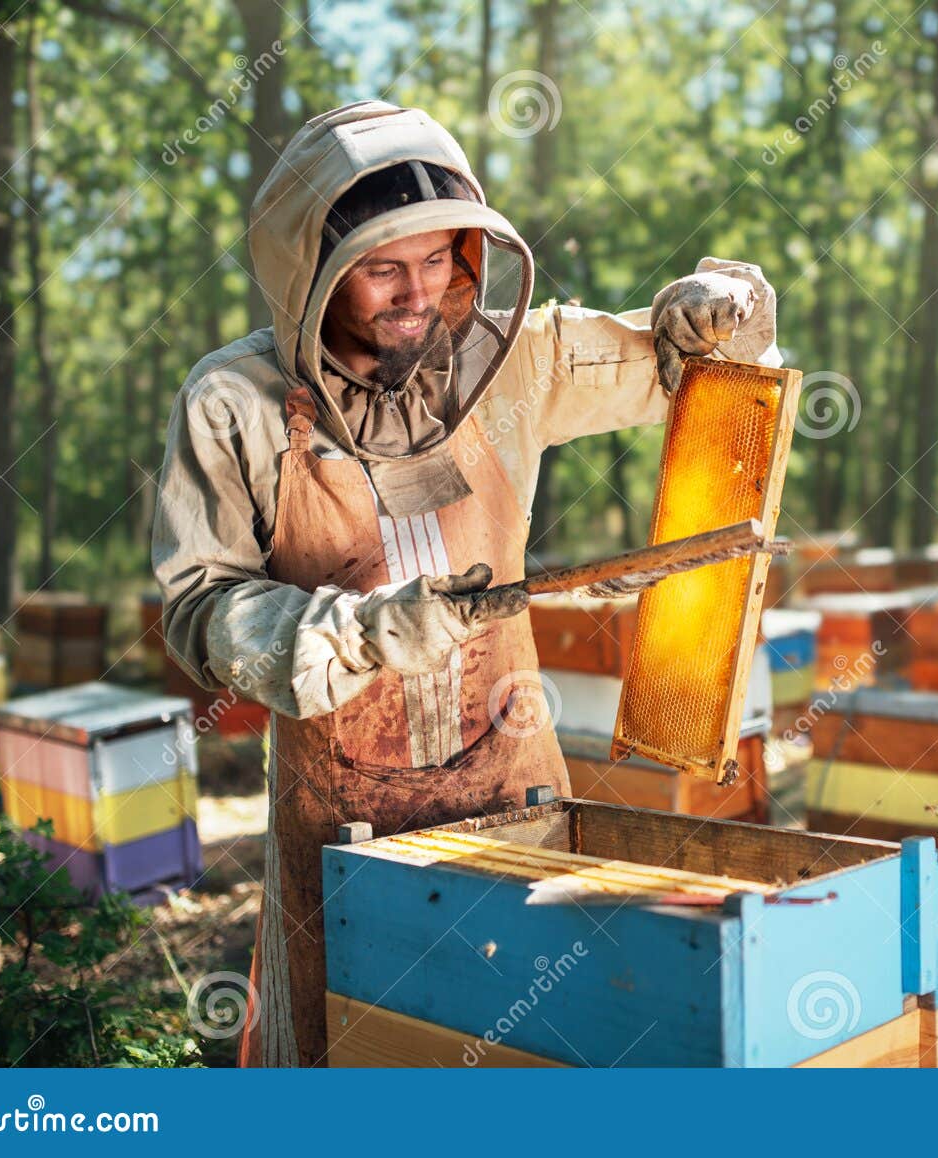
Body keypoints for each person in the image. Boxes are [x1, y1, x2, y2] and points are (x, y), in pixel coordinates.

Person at [150, 100, 779, 1067]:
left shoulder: (518, 360)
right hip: (342, 822)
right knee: (356, 1059)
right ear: (309, 274)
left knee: (531, 1052)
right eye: (383, 270)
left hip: (515, 783)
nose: (418, 293)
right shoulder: (234, 403)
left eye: (439, 260)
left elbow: (692, 367)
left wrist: (715, 307)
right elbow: (199, 608)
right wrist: (356, 633)